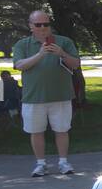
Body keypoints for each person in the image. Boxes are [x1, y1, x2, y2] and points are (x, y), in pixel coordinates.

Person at [11, 9, 81, 176]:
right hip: (34, 97)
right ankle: (41, 164)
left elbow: (75, 64)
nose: (43, 28)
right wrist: (41, 54)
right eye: (38, 24)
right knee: (36, 132)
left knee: (62, 130)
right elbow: (20, 65)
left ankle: (63, 163)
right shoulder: (22, 44)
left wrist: (62, 53)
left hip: (61, 96)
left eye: (46, 24)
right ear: (30, 26)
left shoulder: (64, 42)